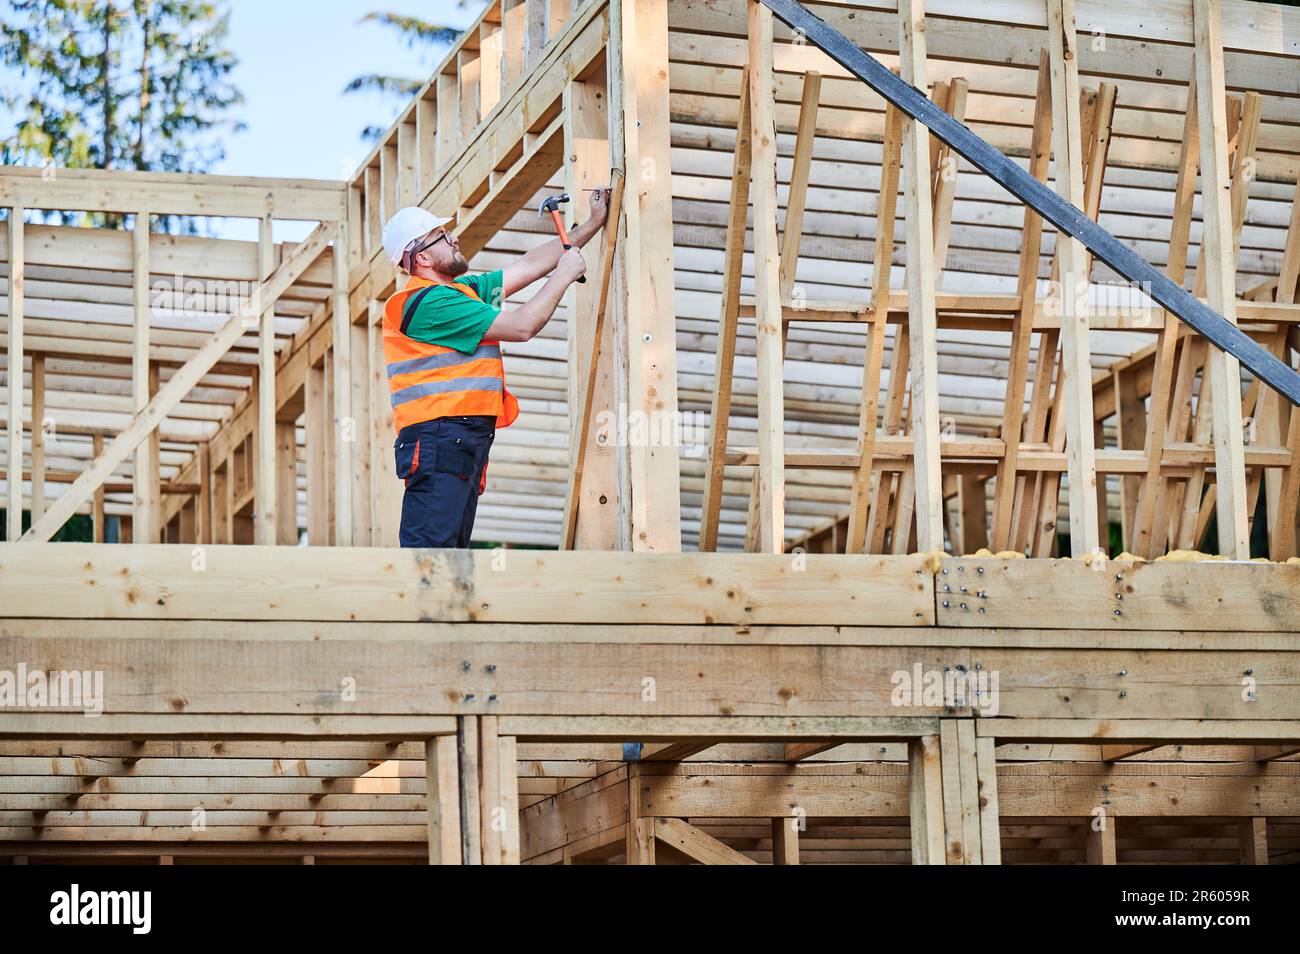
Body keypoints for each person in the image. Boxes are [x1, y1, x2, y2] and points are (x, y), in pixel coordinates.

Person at [379, 189, 610, 547]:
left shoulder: (460, 292)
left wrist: (590, 226)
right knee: (430, 560)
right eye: (443, 235)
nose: (454, 237)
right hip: (441, 438)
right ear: (422, 256)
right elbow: (521, 326)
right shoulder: (428, 302)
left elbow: (528, 266)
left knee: (450, 557)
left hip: (457, 439)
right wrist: (564, 277)